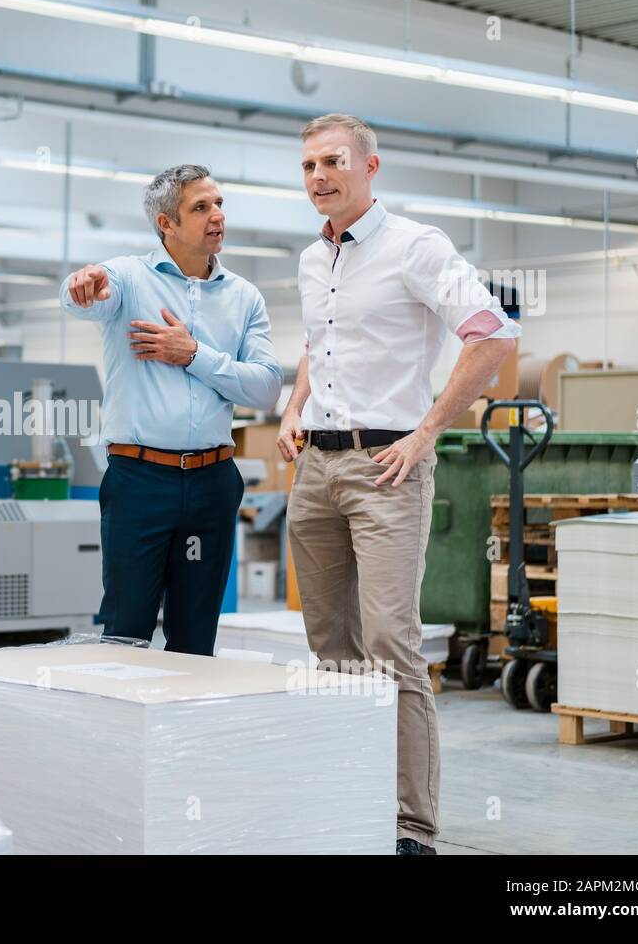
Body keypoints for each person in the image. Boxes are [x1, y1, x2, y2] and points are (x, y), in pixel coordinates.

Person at [278, 114, 520, 855]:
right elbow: (321, 345)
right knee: (331, 646)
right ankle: (355, 802)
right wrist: (293, 407)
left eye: (333, 162)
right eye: (309, 165)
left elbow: (494, 334)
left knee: (390, 642)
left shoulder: (415, 246)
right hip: (315, 468)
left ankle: (410, 827)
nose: (320, 177)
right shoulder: (310, 260)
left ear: (370, 166)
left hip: (389, 465)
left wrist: (428, 430)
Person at [61, 164, 282, 655]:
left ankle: (182, 730)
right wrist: (82, 284)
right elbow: (88, 297)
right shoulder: (127, 278)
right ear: (166, 223)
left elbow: (267, 389)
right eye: (201, 208)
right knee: (126, 628)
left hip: (212, 484)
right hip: (140, 482)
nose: (217, 216)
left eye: (219, 204)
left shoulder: (245, 297)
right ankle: (120, 729)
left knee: (196, 635)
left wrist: (193, 354)